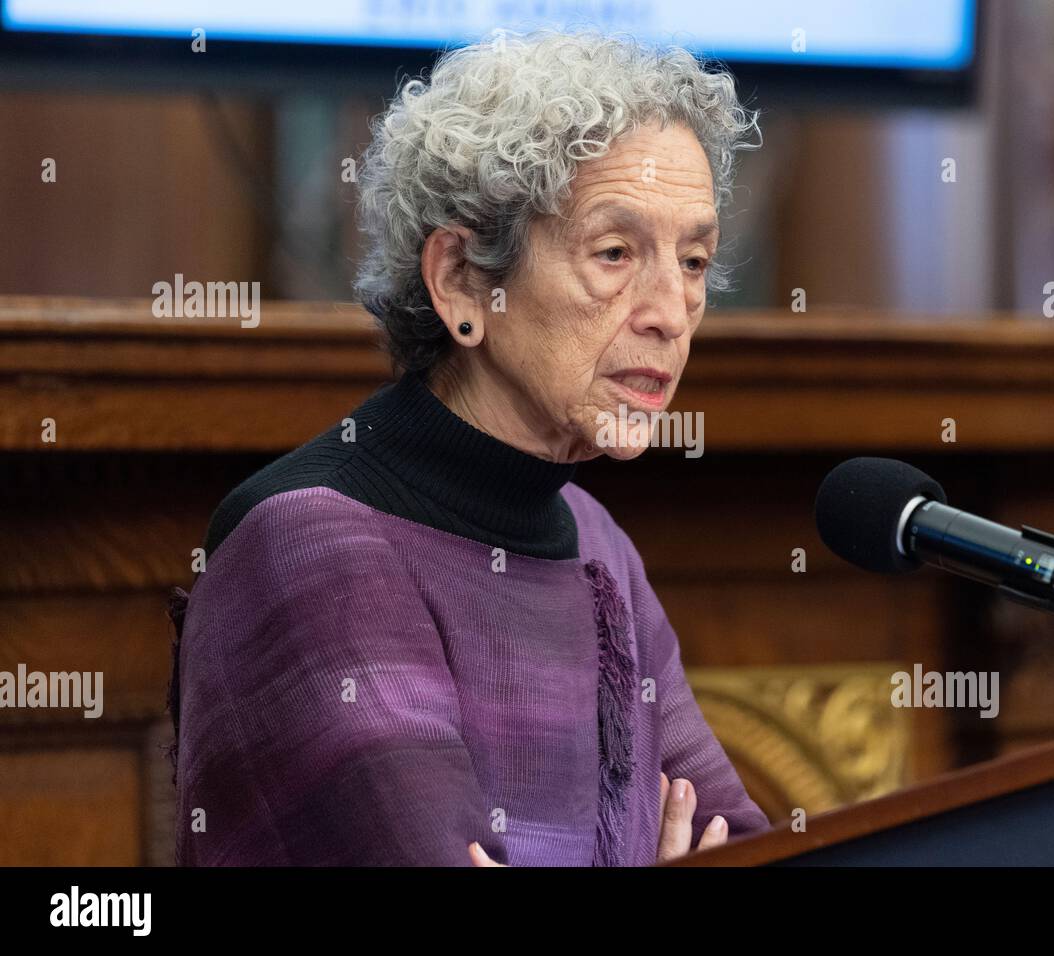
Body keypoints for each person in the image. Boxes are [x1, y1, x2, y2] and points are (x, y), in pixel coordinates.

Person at [167, 29, 768, 866]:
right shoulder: (310, 545)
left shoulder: (594, 539)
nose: (672, 310)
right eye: (615, 253)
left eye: (695, 260)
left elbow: (732, 842)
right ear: (459, 280)